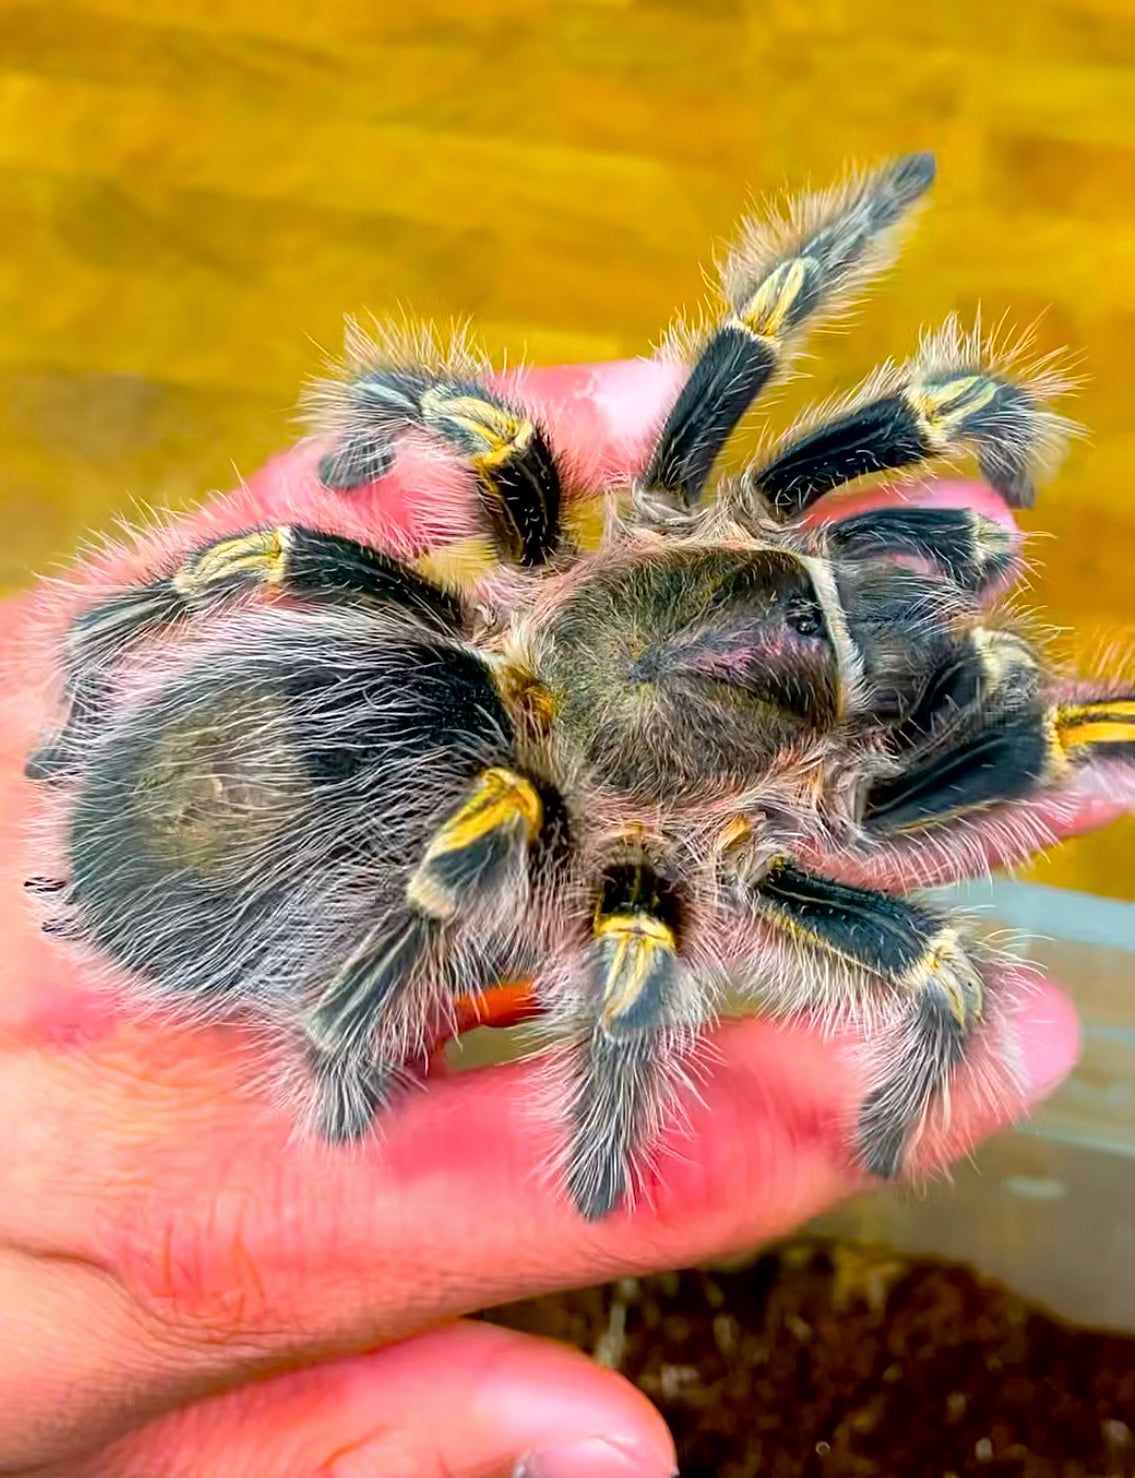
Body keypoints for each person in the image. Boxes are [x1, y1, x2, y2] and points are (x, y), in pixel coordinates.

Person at [0, 360, 1093, 1477]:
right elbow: (941, 974)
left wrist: (96, 658)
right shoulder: (603, 834)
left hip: (350, 719)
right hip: (325, 837)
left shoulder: (614, 529)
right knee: (945, 947)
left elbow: (527, 401)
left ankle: (328, 1010)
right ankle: (345, 1038)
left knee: (312, 543)